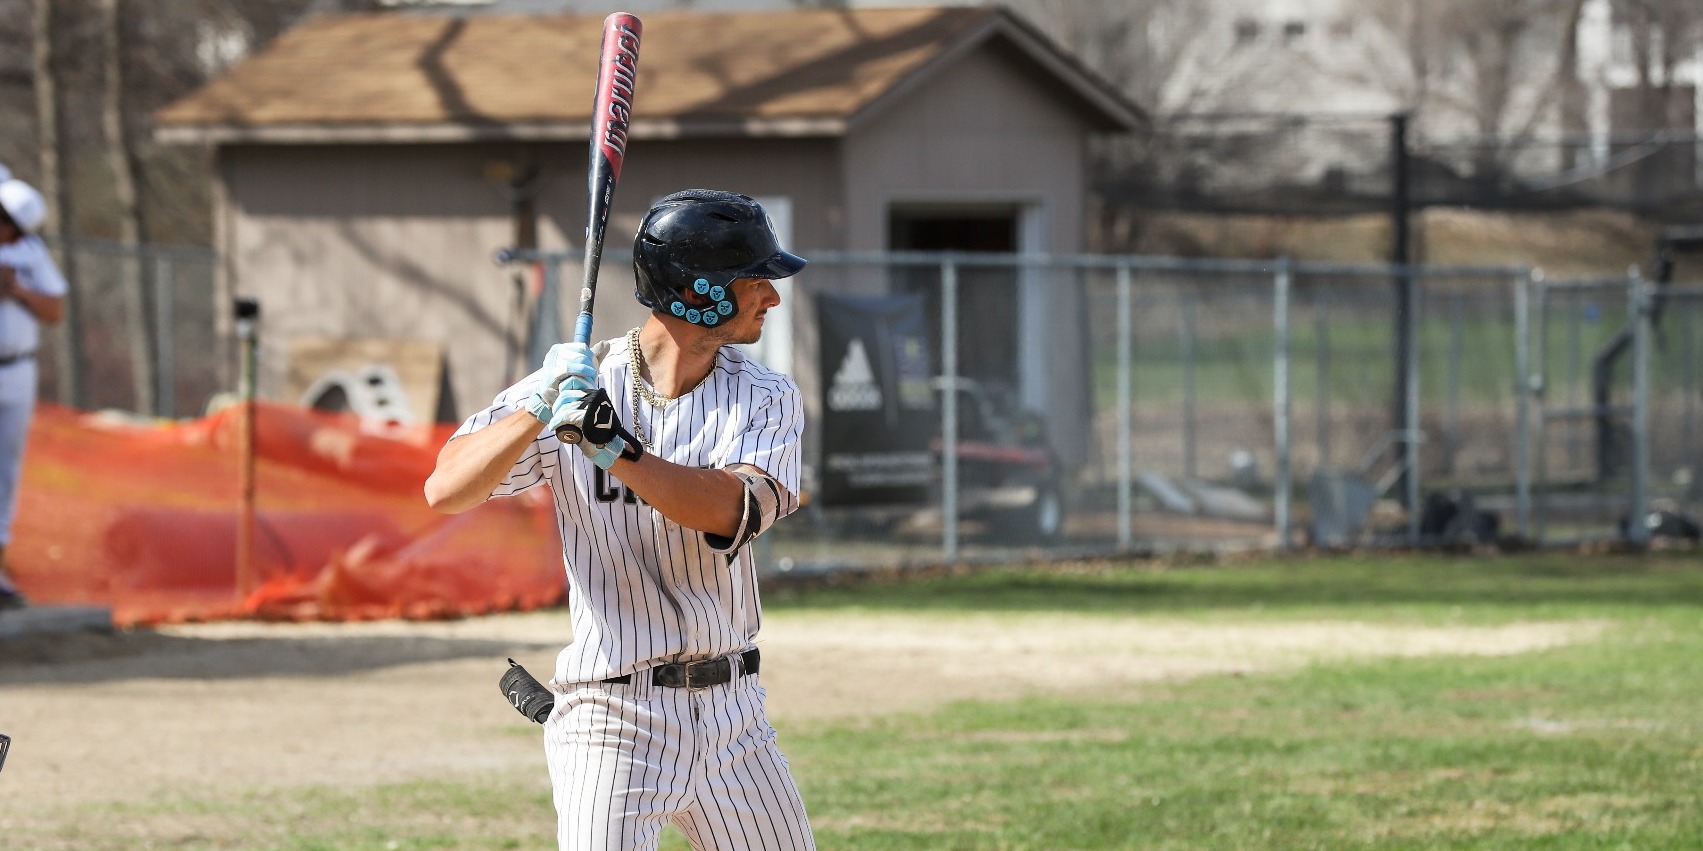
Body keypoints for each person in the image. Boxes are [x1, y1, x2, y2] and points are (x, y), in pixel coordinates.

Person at [425, 189, 816, 850]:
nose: (772, 298)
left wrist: (618, 451)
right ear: (702, 293)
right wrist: (536, 409)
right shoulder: (578, 384)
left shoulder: (764, 394)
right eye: (756, 283)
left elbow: (729, 508)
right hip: (613, 714)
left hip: (734, 714)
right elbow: (446, 489)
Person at [0, 173, 66, 609]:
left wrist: (17, 290)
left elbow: (55, 308)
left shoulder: (29, 254)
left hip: (18, 368)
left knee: (6, 471)